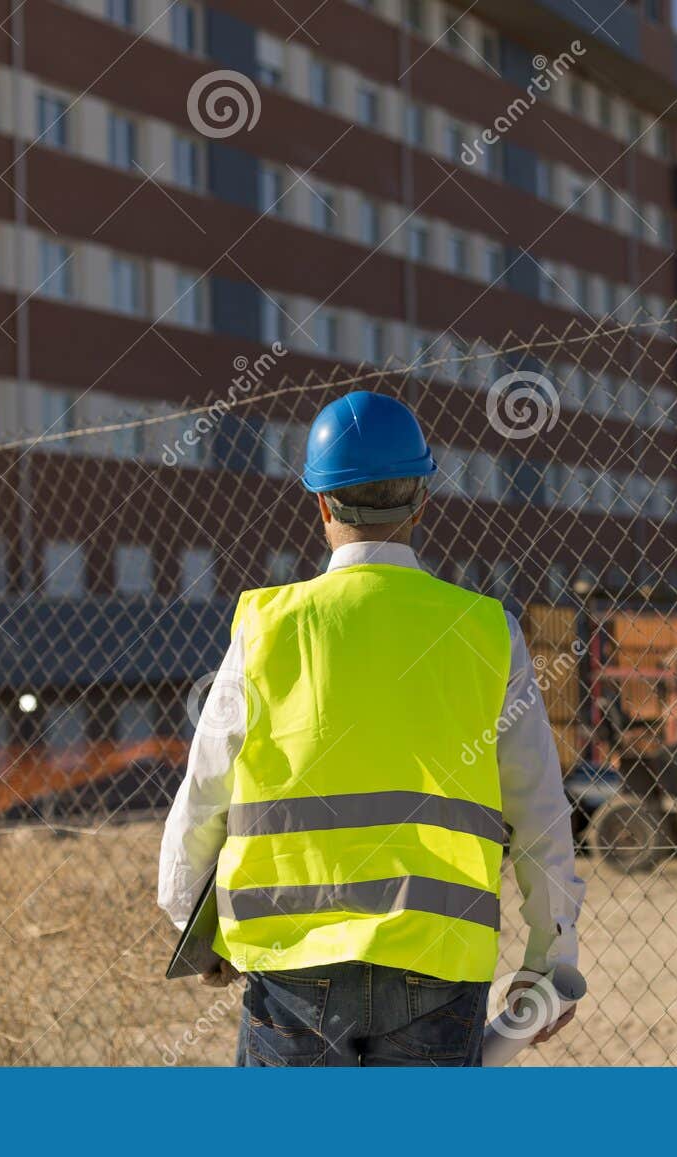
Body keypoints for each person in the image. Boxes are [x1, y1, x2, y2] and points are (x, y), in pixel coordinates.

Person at [158, 390, 583, 1066]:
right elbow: (540, 811)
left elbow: (206, 788)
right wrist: (551, 956)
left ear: (321, 504)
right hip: (438, 965)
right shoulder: (484, 631)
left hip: (291, 968)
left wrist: (191, 920)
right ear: (422, 500)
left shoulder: (268, 628)